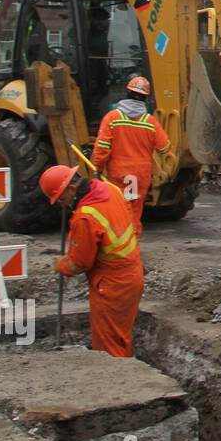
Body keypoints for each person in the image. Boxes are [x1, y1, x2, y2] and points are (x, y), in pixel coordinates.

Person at [41, 165, 144, 358]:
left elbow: (79, 263)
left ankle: (116, 381)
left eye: (61, 199)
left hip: (112, 285)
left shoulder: (86, 217)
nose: (62, 205)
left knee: (109, 344)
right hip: (131, 273)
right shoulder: (110, 188)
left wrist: (61, 265)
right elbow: (129, 212)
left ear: (70, 189)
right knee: (120, 335)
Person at [92, 76, 169, 235]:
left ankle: (119, 243)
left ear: (127, 92)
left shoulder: (112, 118)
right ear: (145, 98)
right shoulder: (150, 122)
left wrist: (97, 169)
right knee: (133, 209)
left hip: (118, 173)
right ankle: (131, 244)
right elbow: (165, 147)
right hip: (140, 175)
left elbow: (102, 149)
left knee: (118, 208)